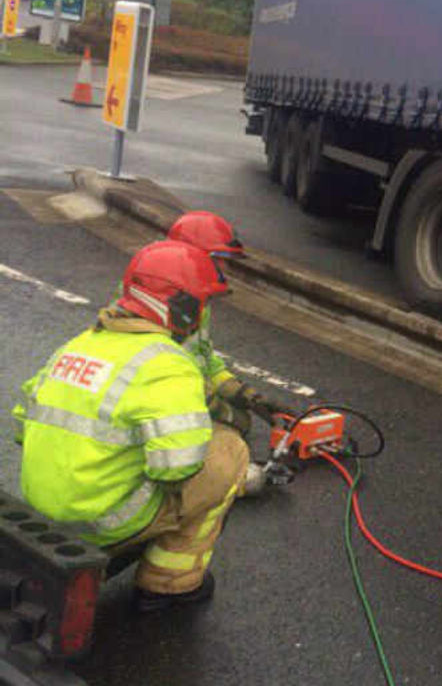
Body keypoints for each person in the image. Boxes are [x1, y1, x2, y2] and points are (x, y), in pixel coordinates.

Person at [14, 241, 248, 611]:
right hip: (105, 522)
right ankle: (168, 583)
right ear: (184, 306)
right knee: (230, 452)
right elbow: (177, 467)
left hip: (40, 510)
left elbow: (21, 424)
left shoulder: (79, 344)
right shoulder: (167, 362)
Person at [133, 210, 289, 436]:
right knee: (228, 440)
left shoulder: (193, 301)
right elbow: (162, 375)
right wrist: (217, 409)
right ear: (188, 256)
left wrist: (243, 394)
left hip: (176, 393)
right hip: (152, 408)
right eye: (219, 260)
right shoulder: (158, 304)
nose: (225, 269)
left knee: (235, 421)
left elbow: (203, 358)